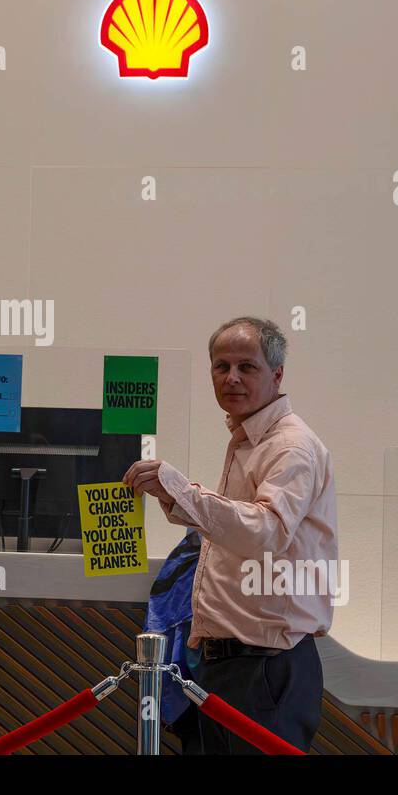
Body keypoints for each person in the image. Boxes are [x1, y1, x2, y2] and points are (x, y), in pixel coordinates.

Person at [124, 316, 338, 754]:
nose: (232, 377)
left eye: (247, 366)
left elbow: (266, 530)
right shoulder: (249, 439)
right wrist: (178, 499)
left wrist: (184, 491)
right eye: (221, 367)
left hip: (264, 667)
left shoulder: (290, 446)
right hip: (229, 664)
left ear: (277, 374)